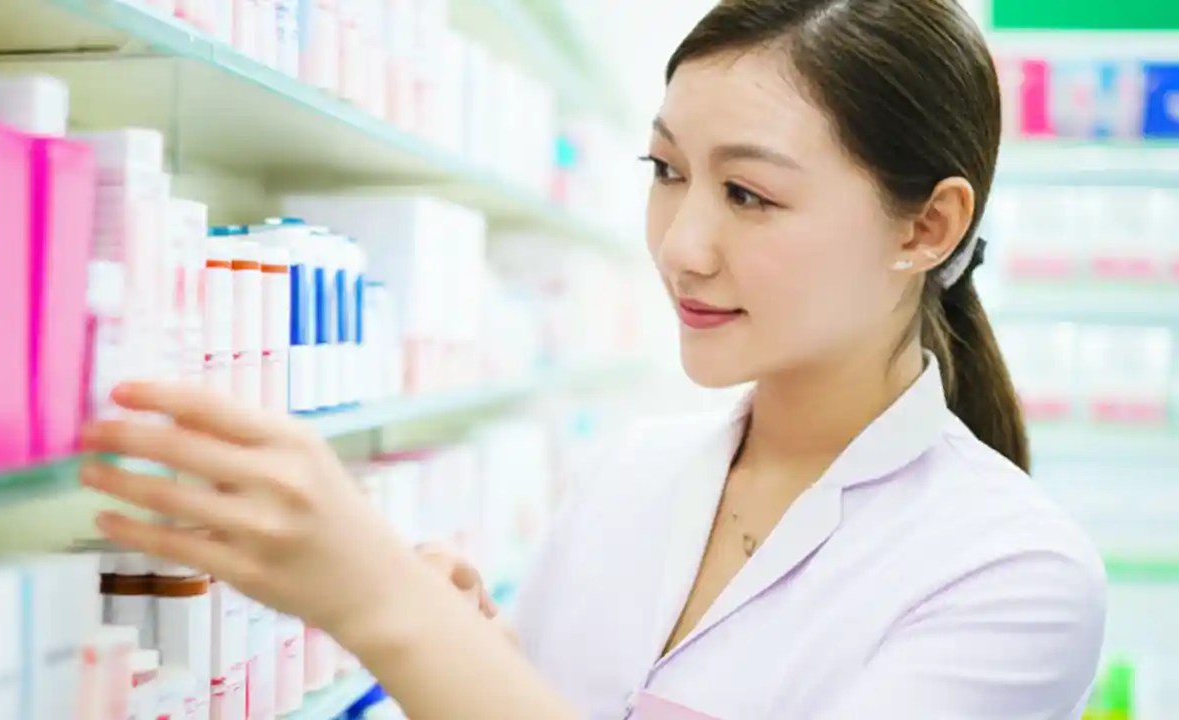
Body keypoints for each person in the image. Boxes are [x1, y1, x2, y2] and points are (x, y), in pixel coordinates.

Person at [78, 0, 1108, 717]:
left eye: (746, 194)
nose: (679, 244)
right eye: (664, 171)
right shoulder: (633, 472)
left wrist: (384, 611)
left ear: (923, 228)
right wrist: (472, 658)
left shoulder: (1011, 575)